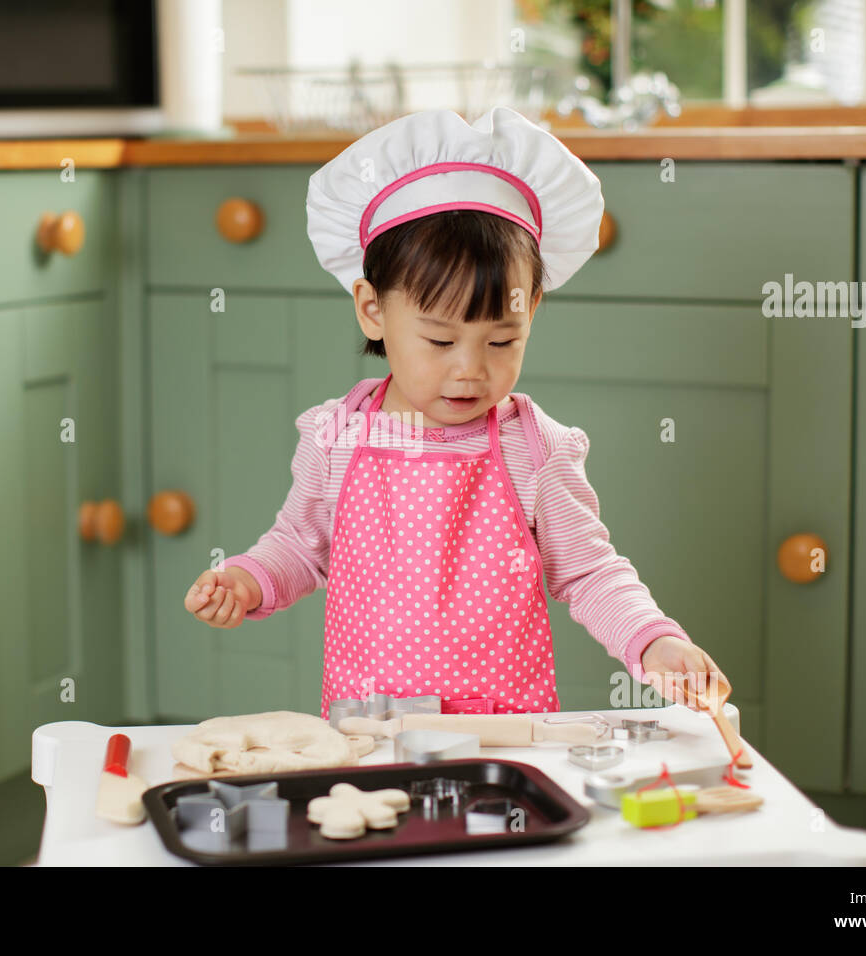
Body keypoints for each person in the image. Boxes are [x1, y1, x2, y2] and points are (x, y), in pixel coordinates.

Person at [184, 106, 727, 718]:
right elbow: (301, 547)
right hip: (368, 731)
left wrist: (654, 640)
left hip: (507, 735)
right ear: (371, 309)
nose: (470, 369)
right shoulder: (338, 437)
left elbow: (588, 572)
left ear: (533, 310)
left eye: (501, 341)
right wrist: (249, 579)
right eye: (440, 342)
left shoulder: (533, 448)